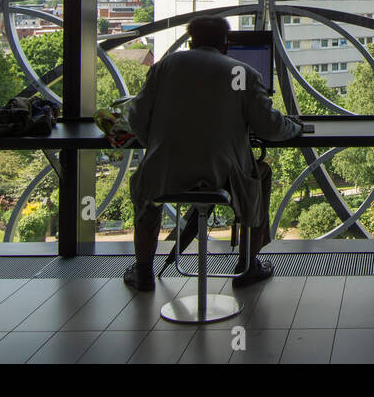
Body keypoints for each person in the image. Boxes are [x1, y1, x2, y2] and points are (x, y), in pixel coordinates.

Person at [123, 17, 302, 291]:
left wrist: (157, 146)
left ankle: (144, 269)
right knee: (261, 173)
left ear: (192, 42)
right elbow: (270, 127)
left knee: (147, 191)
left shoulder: (164, 67)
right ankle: (247, 264)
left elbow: (135, 117)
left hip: (166, 174)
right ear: (225, 44)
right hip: (223, 178)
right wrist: (295, 127)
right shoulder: (243, 73)